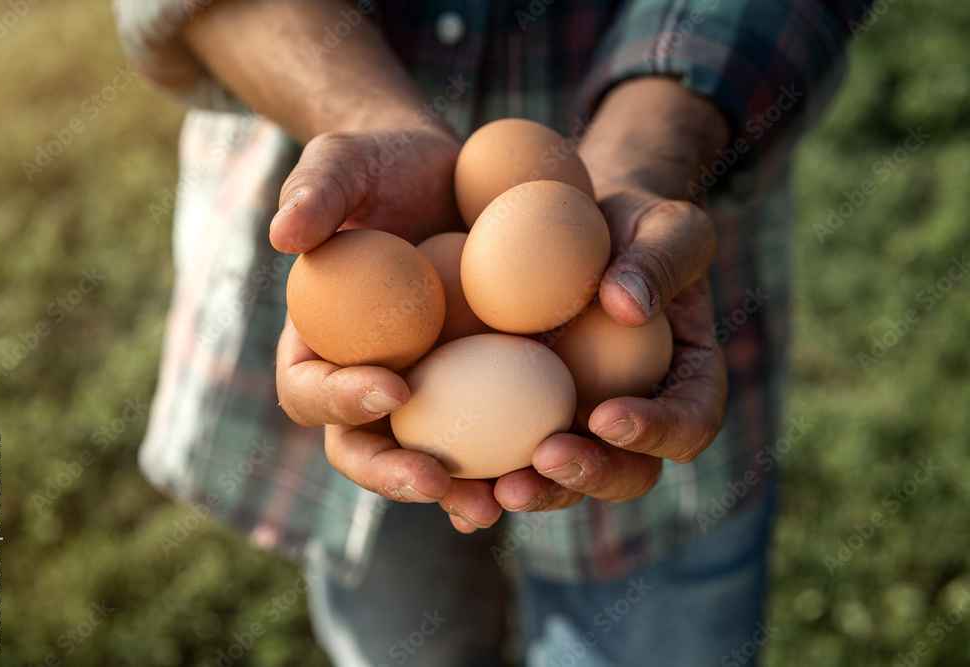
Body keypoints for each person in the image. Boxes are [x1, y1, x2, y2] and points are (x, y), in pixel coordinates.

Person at [114, 0, 861, 664]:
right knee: (403, 638)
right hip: (360, 268)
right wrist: (364, 120)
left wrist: (644, 161)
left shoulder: (553, 271)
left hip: (661, 259)